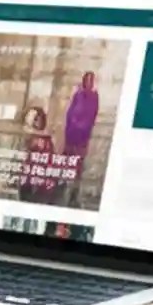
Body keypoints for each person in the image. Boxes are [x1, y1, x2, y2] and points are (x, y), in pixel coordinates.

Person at [63, 71, 100, 205]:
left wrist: (81, 126)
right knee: (68, 160)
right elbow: (70, 112)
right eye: (86, 80)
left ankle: (74, 192)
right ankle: (64, 185)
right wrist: (71, 125)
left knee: (78, 163)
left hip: (82, 136)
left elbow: (92, 115)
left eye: (90, 80)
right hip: (71, 134)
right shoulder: (78, 94)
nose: (88, 83)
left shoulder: (94, 96)